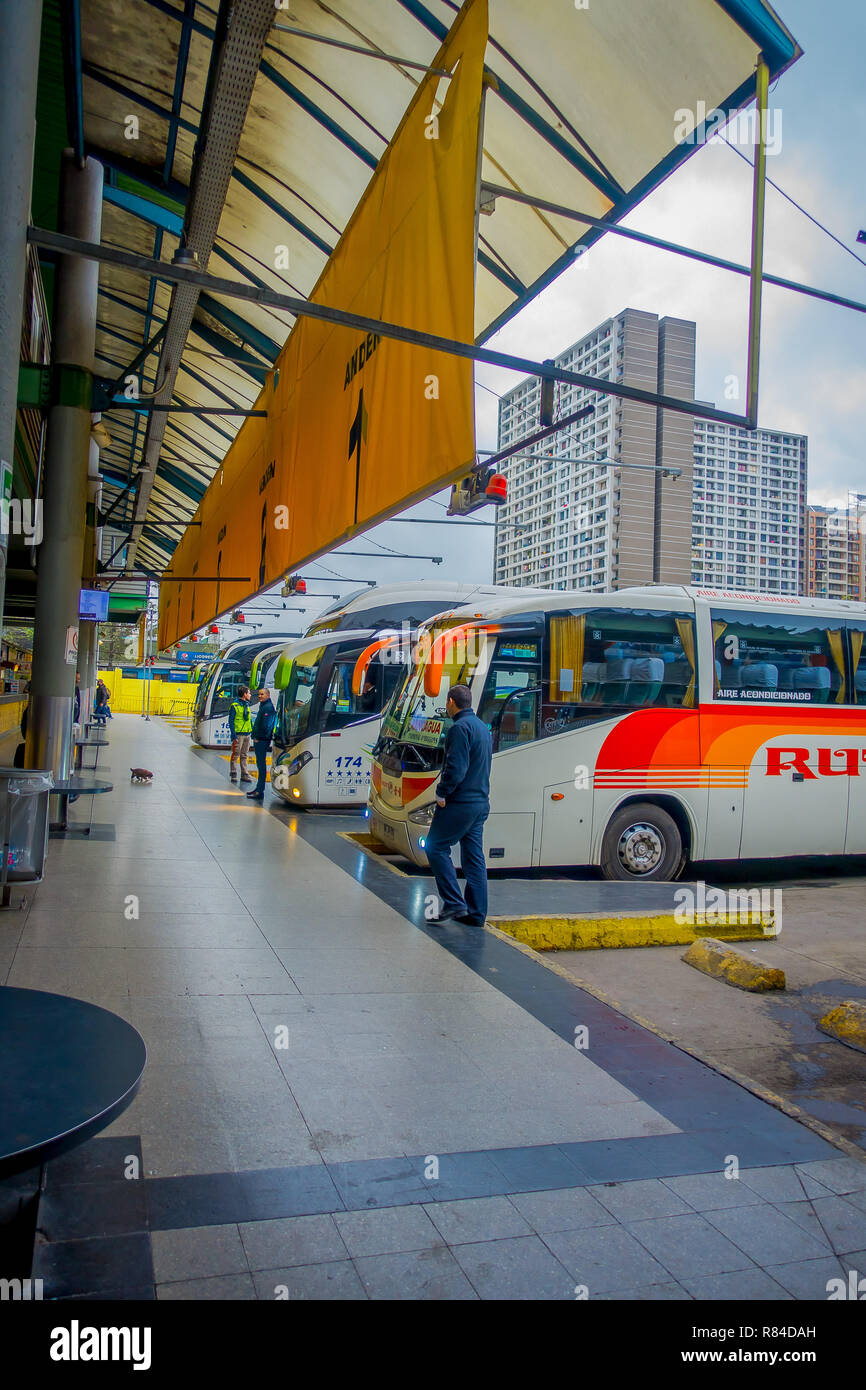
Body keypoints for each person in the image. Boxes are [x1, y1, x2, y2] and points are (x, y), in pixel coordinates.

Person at [423, 682, 492, 927]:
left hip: (460, 803)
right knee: (474, 857)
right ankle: (476, 913)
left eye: (446, 702)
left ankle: (453, 901)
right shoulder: (482, 728)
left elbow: (455, 769)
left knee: (435, 847)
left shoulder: (459, 729)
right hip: (480, 804)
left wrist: (442, 793)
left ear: (451, 702)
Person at [247, 687, 276, 801]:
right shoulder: (264, 706)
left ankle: (260, 791)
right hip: (260, 740)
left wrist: (258, 737)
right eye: (259, 694)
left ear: (268, 695)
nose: (259, 696)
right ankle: (258, 789)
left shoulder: (268, 708)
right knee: (260, 765)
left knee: (262, 766)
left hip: (262, 741)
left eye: (262, 694)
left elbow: (266, 726)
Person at [228, 686, 254, 784]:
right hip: (238, 735)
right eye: (249, 693)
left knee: (244, 755)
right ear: (244, 694)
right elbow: (231, 721)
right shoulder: (234, 706)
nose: (250, 695)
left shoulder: (247, 705)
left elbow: (249, 720)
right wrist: (233, 735)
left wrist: (252, 730)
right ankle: (233, 773)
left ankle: (244, 774)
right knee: (236, 754)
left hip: (247, 734)